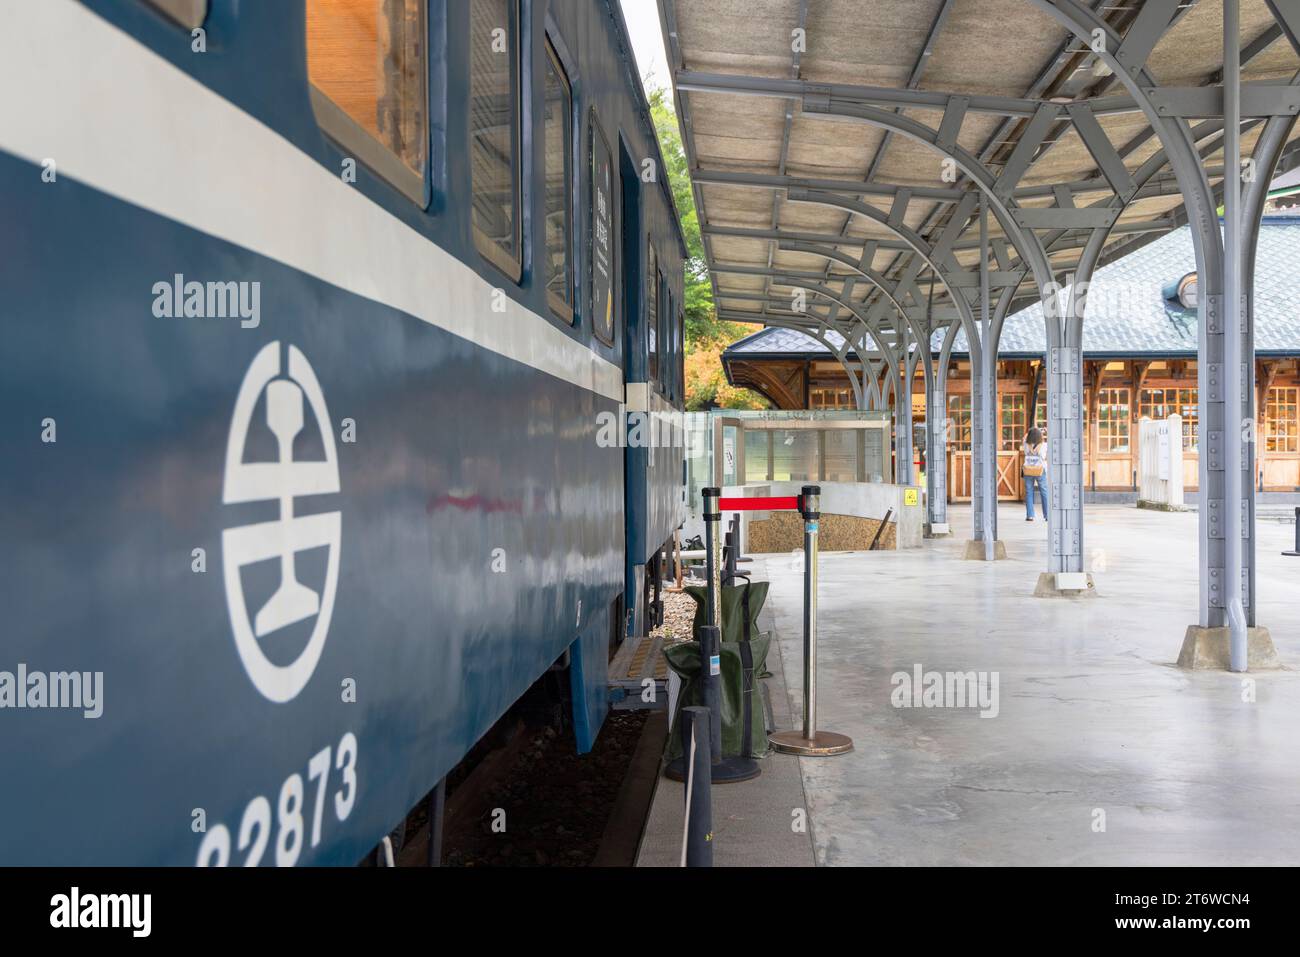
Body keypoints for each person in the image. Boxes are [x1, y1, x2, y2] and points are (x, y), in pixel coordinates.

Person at [1021, 427, 1048, 521]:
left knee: (1029, 492)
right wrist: (1044, 431)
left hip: (1028, 470)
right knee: (1044, 492)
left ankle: (1030, 515)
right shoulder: (1043, 445)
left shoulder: (1026, 444)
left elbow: (1024, 438)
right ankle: (1047, 515)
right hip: (1040, 470)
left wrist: (1031, 432)